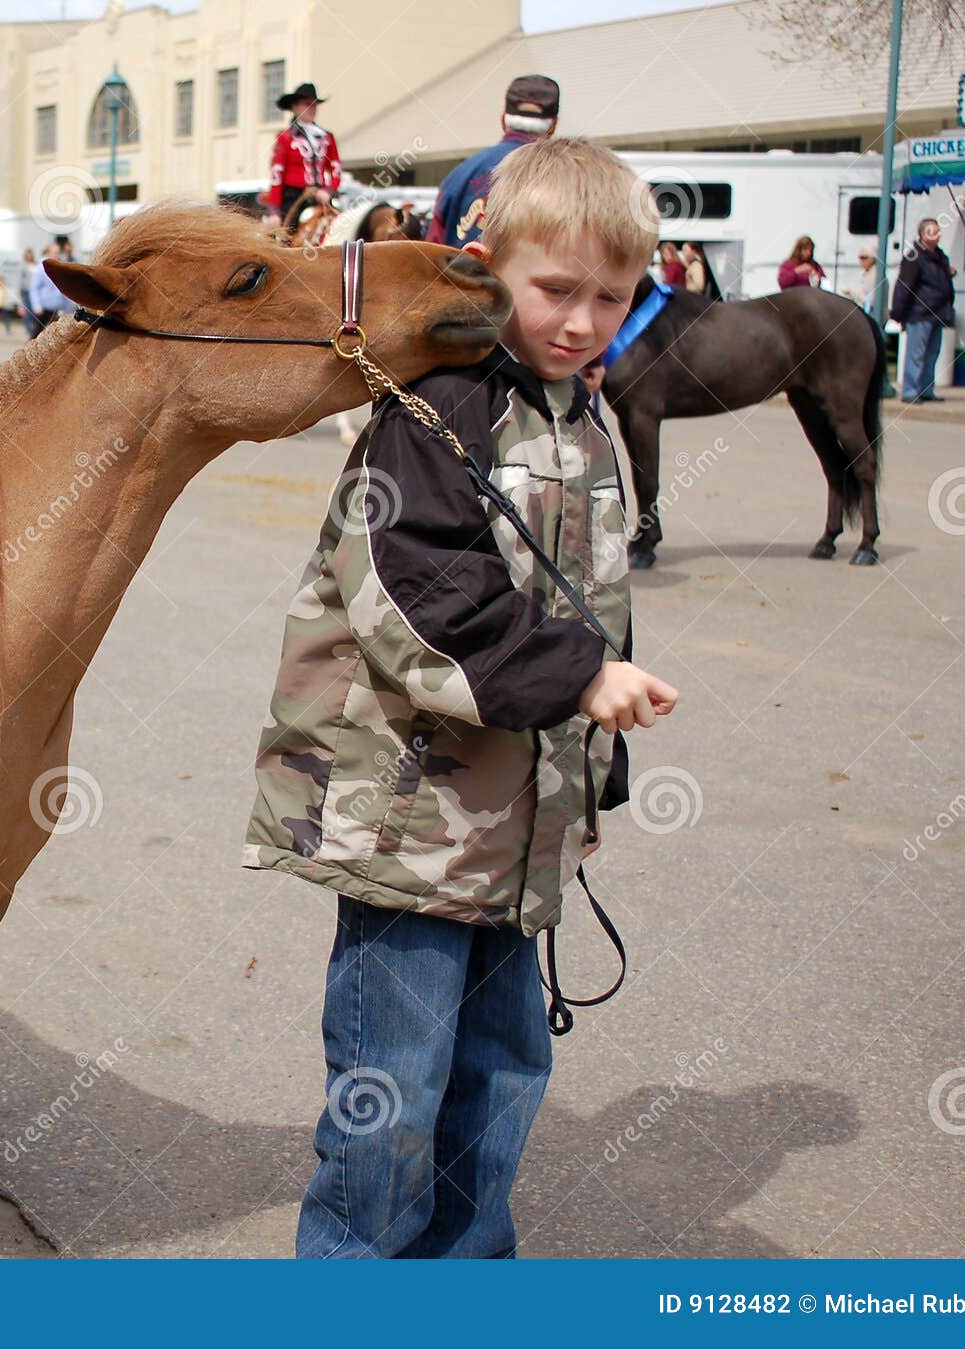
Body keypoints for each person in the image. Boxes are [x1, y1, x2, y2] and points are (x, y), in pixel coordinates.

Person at [244, 136, 679, 1260]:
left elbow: (597, 604)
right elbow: (417, 587)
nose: (582, 321)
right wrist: (578, 675)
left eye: (611, 297)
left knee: (501, 1073)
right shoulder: (439, 406)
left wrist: (586, 795)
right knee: (392, 1086)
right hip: (415, 825)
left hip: (517, 828)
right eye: (556, 290)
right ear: (485, 266)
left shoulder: (579, 419)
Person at [426, 74, 559, 248]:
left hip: (459, 273)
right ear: (553, 126)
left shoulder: (458, 176)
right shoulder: (566, 180)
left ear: (503, 119)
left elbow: (430, 250)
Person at [890, 218, 957, 403]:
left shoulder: (941, 257)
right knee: (916, 354)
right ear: (922, 235)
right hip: (919, 313)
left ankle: (926, 390)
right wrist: (898, 312)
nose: (937, 235)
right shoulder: (914, 257)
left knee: (932, 354)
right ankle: (910, 391)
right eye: (932, 232)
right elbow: (904, 286)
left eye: (938, 231)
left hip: (939, 313)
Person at [264, 82, 342, 230]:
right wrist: (274, 211)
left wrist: (328, 190)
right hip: (293, 198)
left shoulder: (327, 137)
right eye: (307, 104)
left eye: (314, 105)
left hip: (321, 197)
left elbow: (336, 169)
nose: (312, 108)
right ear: (295, 107)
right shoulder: (284, 137)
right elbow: (276, 176)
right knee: (286, 235)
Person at [26, 245, 69, 333]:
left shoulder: (60, 267)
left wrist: (67, 308)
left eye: (58, 253)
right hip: (43, 309)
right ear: (48, 253)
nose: (57, 255)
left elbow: (64, 289)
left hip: (58, 309)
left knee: (56, 335)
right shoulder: (41, 268)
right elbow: (34, 289)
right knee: (37, 335)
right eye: (55, 253)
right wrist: (37, 306)